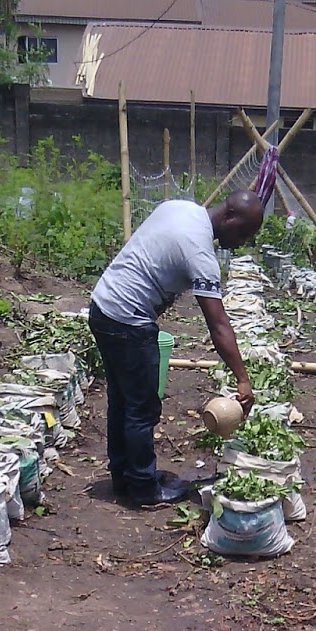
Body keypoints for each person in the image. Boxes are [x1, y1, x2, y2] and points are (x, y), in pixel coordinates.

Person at [88, 190, 264, 506]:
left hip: (103, 306)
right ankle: (143, 488)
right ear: (228, 217)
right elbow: (218, 325)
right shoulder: (199, 252)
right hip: (128, 320)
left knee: (122, 400)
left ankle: (123, 477)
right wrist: (242, 379)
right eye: (242, 233)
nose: (241, 242)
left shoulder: (182, 208)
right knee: (142, 407)